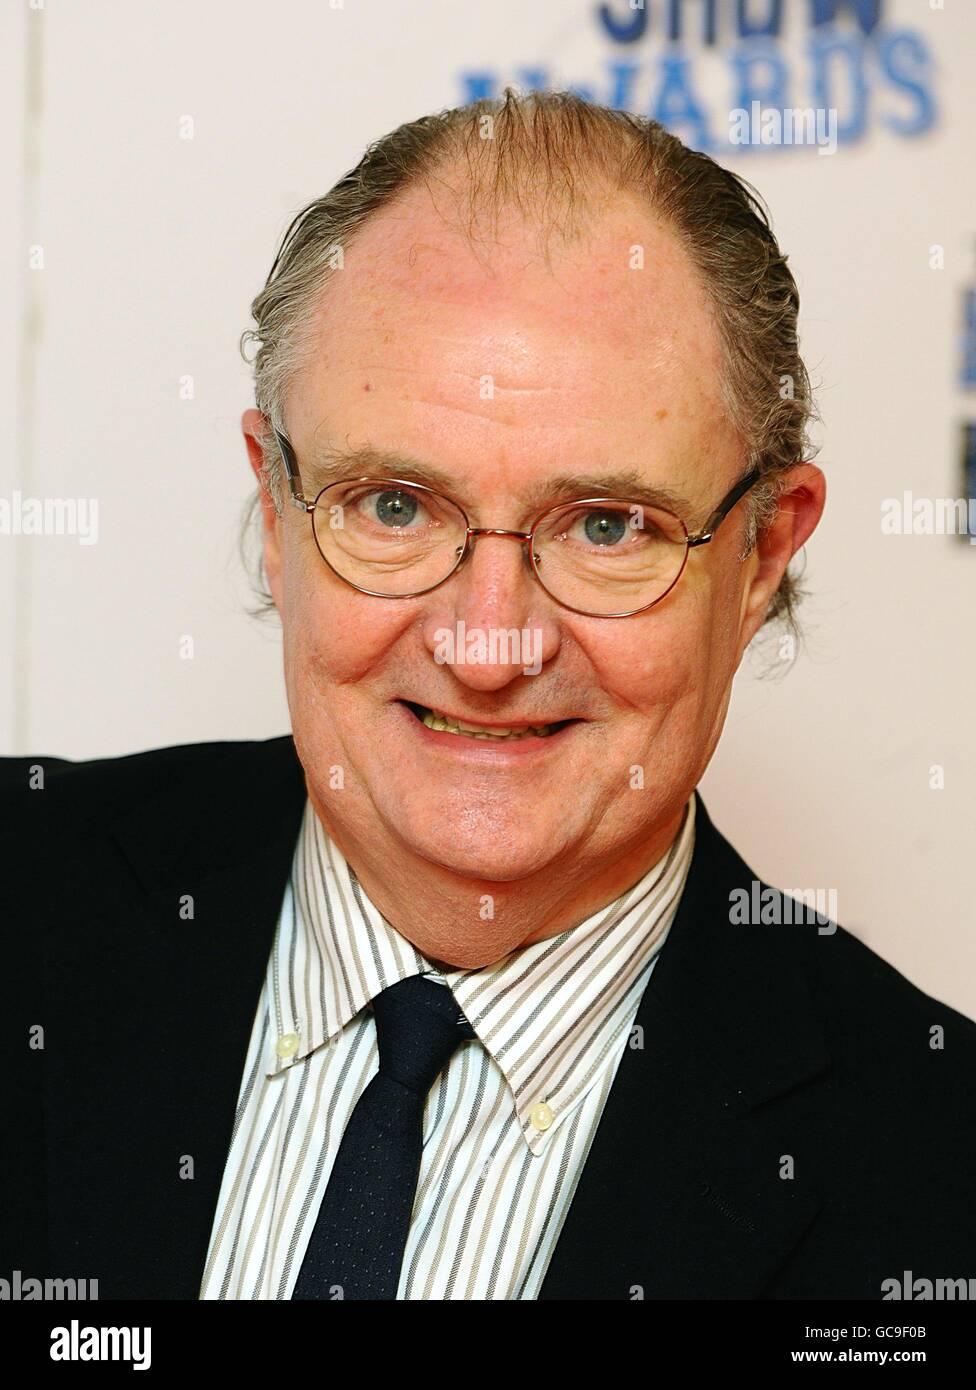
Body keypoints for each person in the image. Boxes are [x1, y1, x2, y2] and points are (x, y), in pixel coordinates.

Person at [4, 89, 974, 1302]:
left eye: (608, 525)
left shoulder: (940, 1177)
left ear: (762, 552)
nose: (487, 642)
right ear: (275, 503)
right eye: (395, 506)